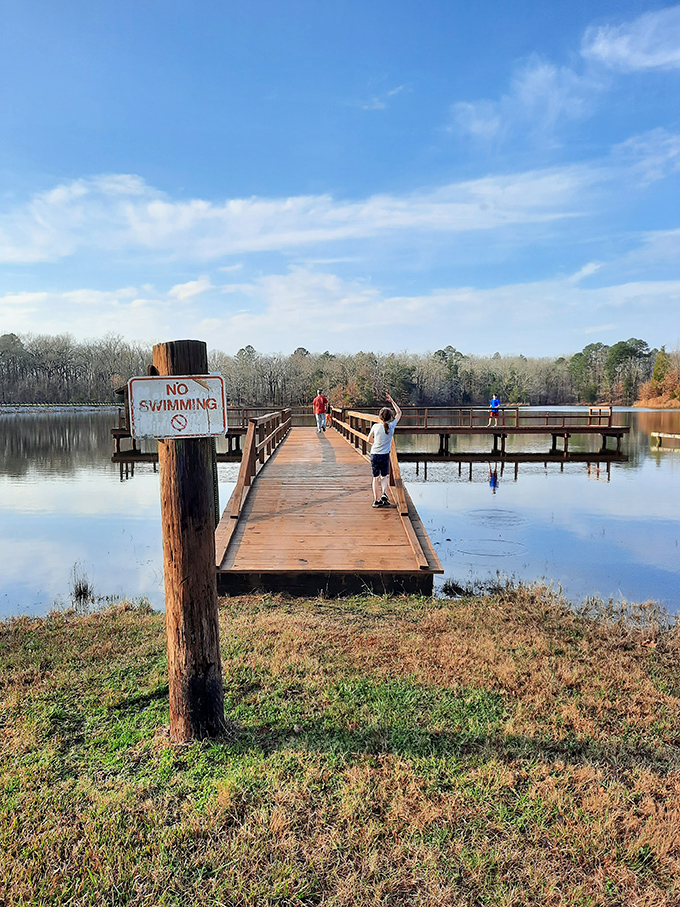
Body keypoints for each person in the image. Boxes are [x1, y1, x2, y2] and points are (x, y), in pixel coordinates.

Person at [367, 392, 402, 507]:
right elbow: (399, 413)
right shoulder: (391, 426)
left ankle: (376, 500)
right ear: (390, 417)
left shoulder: (375, 426)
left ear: (380, 417)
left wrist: (375, 443)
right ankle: (384, 493)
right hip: (384, 455)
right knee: (385, 476)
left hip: (375, 454)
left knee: (375, 478)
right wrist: (392, 401)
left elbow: (368, 440)